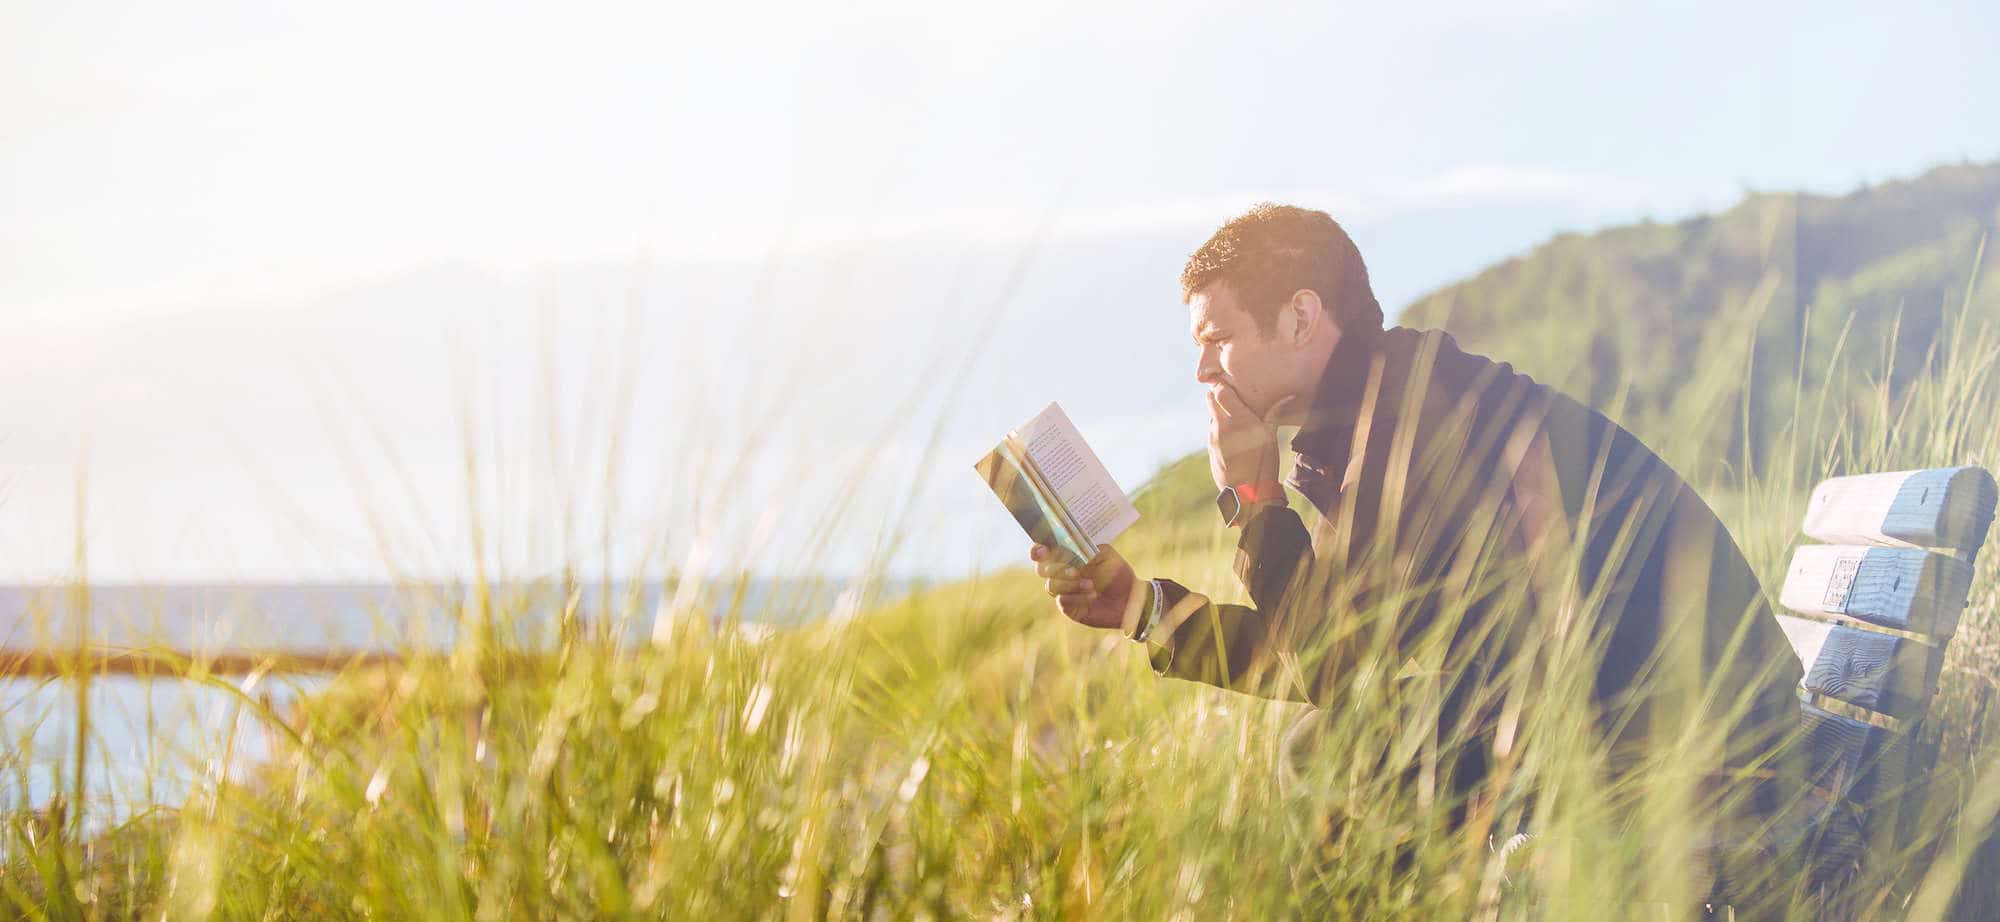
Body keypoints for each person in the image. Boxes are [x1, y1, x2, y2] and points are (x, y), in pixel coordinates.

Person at [1029, 203, 1806, 896]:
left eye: (1218, 339)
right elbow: (1340, 651)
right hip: (1648, 725)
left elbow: (1329, 666)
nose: (1203, 371)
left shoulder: (1414, 422)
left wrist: (1257, 500)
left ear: (1302, 316)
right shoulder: (1380, 410)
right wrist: (1137, 607)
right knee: (1341, 744)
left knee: (1332, 754)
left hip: (1708, 756)